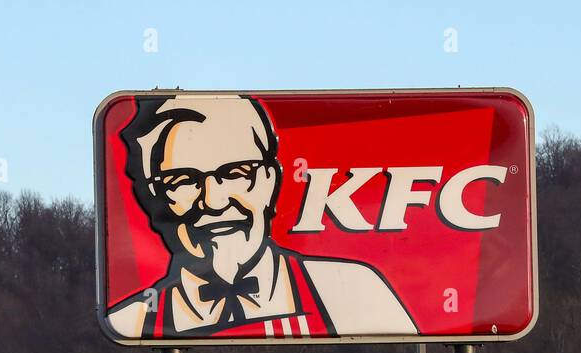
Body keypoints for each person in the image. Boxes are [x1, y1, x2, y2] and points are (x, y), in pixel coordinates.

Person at [106, 94, 417, 340]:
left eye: (236, 173)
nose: (214, 201)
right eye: (184, 181)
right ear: (157, 198)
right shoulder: (130, 322)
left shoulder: (354, 292)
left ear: (270, 181)